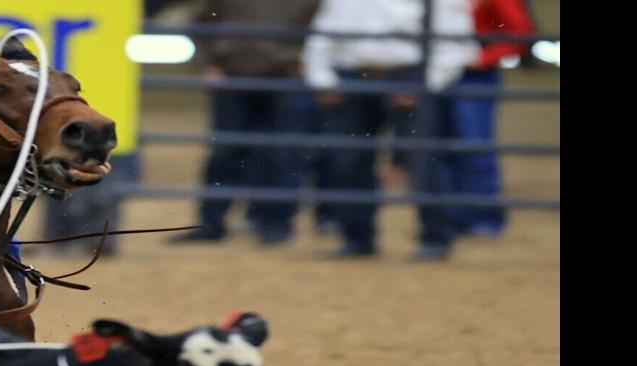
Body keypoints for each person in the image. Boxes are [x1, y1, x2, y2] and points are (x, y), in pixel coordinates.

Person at [303, 0, 477, 259]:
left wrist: (426, 83)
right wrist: (322, 78)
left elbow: (455, 41)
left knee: (422, 161)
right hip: (351, 77)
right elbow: (323, 32)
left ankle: (436, 238)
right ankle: (357, 237)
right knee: (348, 162)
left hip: (408, 76)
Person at [171, 0, 321, 246]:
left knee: (281, 155)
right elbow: (200, 24)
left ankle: (275, 223)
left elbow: (324, 30)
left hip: (285, 75)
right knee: (225, 152)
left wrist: (311, 64)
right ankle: (212, 222)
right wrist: (207, 63)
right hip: (233, 76)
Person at [440, 0, 535, 238]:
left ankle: (482, 217)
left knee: (474, 145)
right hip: (440, 68)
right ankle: (451, 216)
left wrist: (482, 58)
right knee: (442, 147)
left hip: (474, 74)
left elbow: (520, 31)